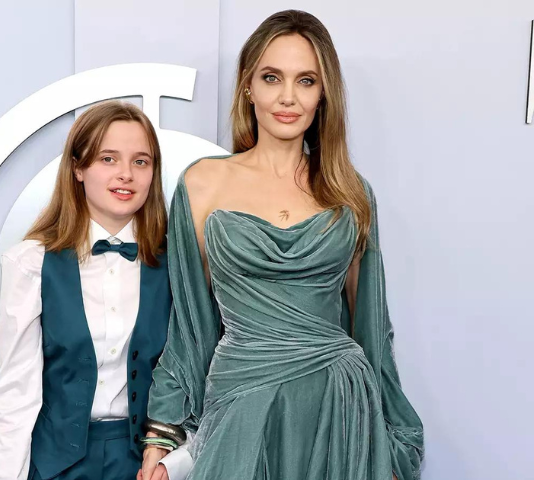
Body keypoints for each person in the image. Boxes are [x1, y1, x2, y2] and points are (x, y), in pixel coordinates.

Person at [140, 10, 424, 480]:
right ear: (248, 87)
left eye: (306, 80)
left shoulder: (351, 192)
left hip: (339, 406)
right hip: (243, 398)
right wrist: (162, 435)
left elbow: (372, 327)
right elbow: (190, 329)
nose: (288, 97)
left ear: (323, 93)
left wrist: (389, 440)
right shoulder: (203, 184)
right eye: (272, 78)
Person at [0, 100, 174, 480]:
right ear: (77, 168)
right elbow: (15, 393)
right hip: (55, 463)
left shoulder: (177, 266)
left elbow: (192, 378)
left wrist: (176, 460)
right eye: (108, 159)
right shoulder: (30, 263)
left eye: (141, 161)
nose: (126, 174)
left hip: (146, 466)